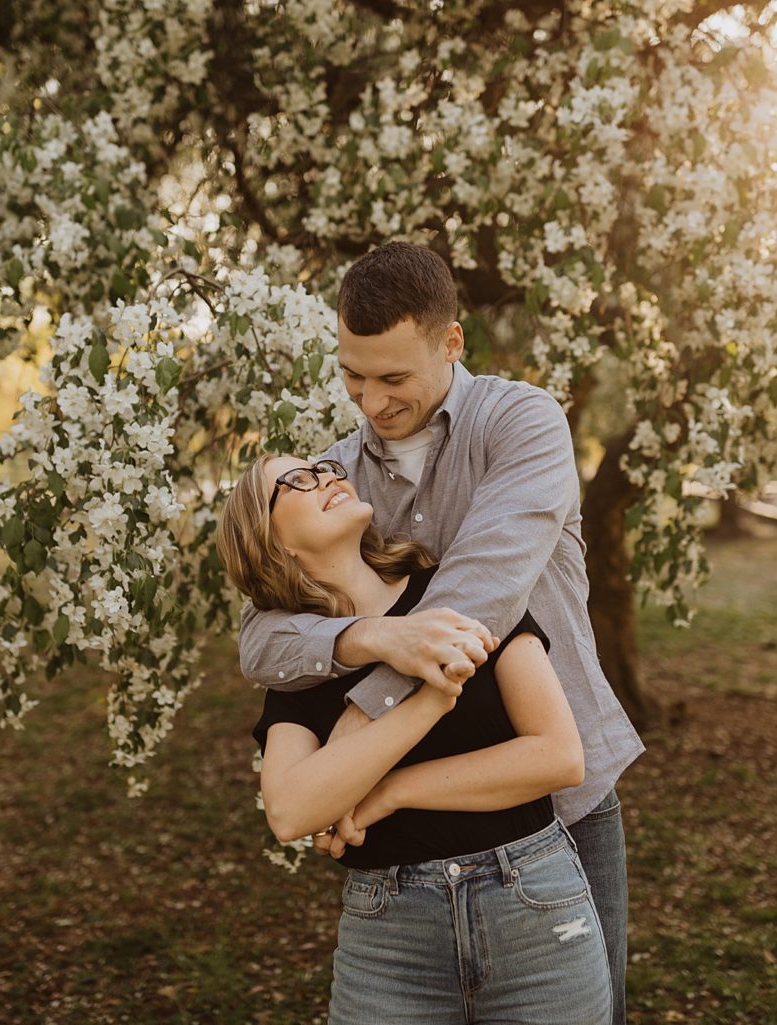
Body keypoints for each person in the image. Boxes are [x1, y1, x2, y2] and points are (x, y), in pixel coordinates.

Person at [238, 241, 644, 1023]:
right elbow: (260, 635)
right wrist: (364, 641)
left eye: (393, 377)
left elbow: (475, 597)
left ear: (451, 342)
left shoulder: (522, 423)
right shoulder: (336, 477)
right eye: (353, 375)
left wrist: (355, 743)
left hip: (565, 788)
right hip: (417, 854)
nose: (371, 401)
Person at [217, 453, 612, 1023]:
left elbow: (557, 756)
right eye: (296, 481)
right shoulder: (300, 659)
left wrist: (391, 790)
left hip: (533, 909)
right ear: (269, 539)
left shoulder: (459, 591)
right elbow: (290, 810)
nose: (328, 477)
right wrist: (426, 703)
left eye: (325, 467)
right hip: (389, 939)